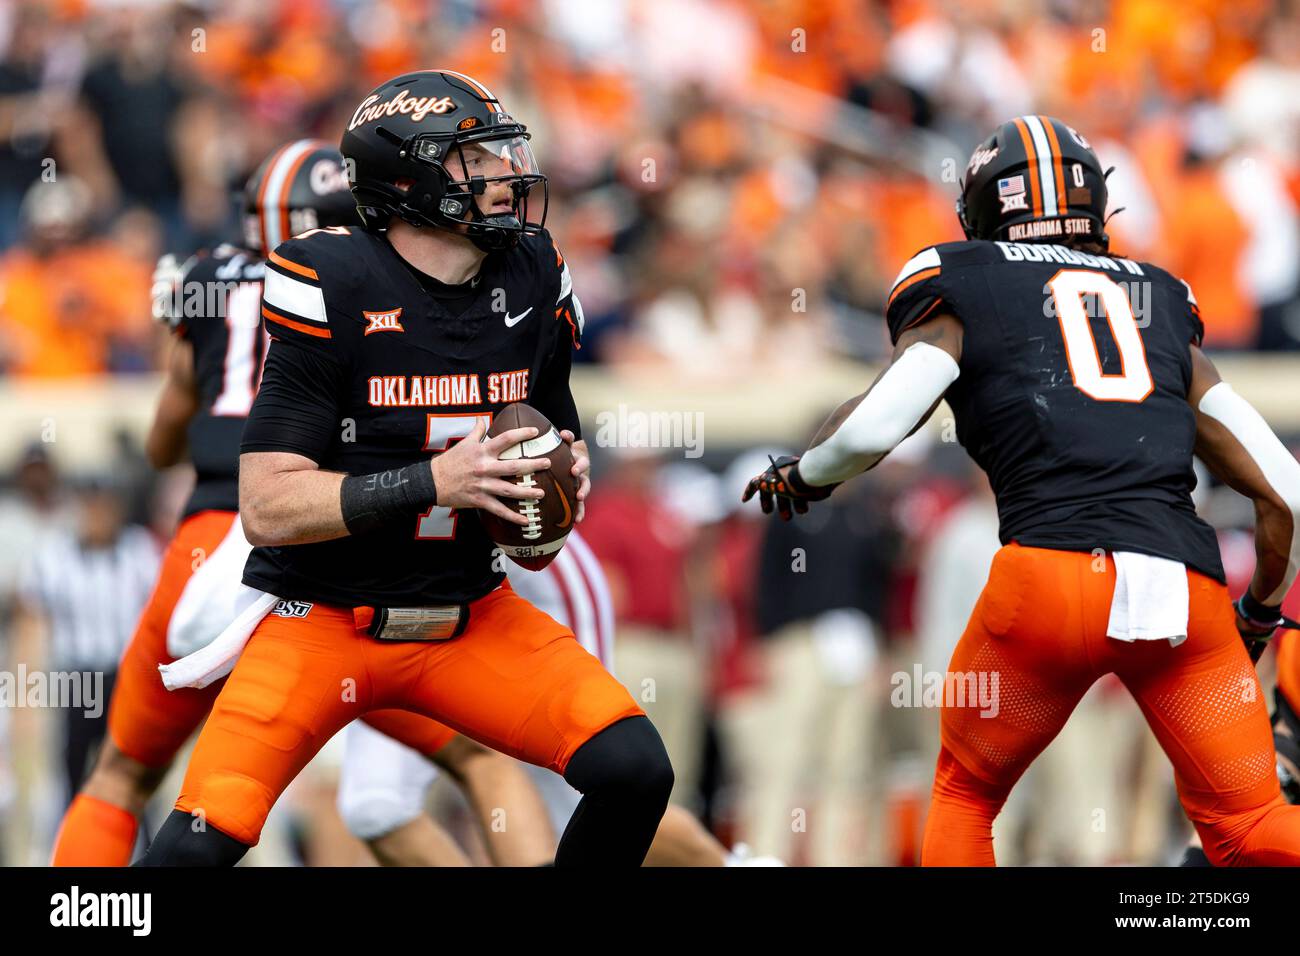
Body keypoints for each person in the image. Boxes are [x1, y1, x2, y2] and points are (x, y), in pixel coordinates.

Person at [139, 70, 672, 868]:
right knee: (191, 853)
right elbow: (267, 505)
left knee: (635, 770)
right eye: (476, 159)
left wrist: (559, 480)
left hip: (471, 614)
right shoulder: (334, 279)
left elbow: (543, 480)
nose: (506, 175)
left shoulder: (531, 269)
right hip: (321, 621)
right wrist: (432, 483)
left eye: (504, 153)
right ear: (407, 179)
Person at [744, 115, 1300, 866]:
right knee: (1253, 826)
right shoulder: (1163, 297)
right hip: (1180, 588)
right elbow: (1286, 492)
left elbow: (875, 426)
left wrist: (805, 475)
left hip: (1051, 576)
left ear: (983, 206)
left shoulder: (962, 277)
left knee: (966, 799)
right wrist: (1259, 613)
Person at [52, 140, 555, 867]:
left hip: (211, 543)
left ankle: (81, 915)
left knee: (123, 774)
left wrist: (185, 346)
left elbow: (164, 444)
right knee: (477, 759)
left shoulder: (212, 279)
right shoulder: (390, 281)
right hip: (337, 551)